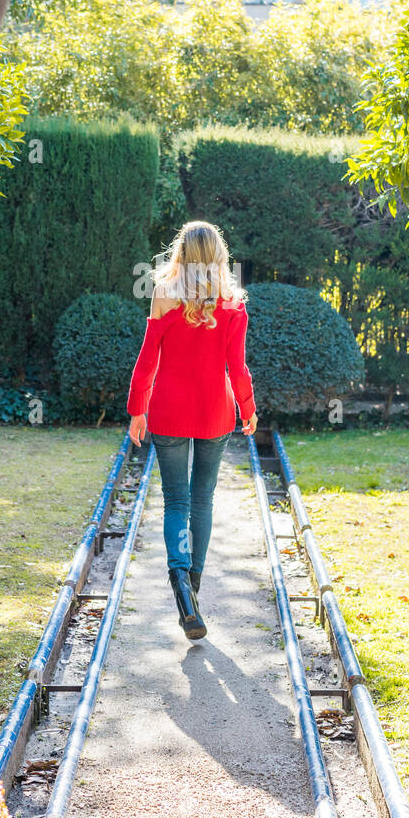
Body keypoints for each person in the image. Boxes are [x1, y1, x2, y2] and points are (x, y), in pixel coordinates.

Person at [127, 220, 258, 641]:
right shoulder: (232, 300)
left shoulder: (164, 295)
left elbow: (147, 360)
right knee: (202, 501)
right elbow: (236, 368)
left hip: (167, 411)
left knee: (175, 502)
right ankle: (192, 593)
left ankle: (182, 587)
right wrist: (248, 408)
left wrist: (136, 410)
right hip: (214, 413)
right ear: (219, 254)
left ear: (180, 253)